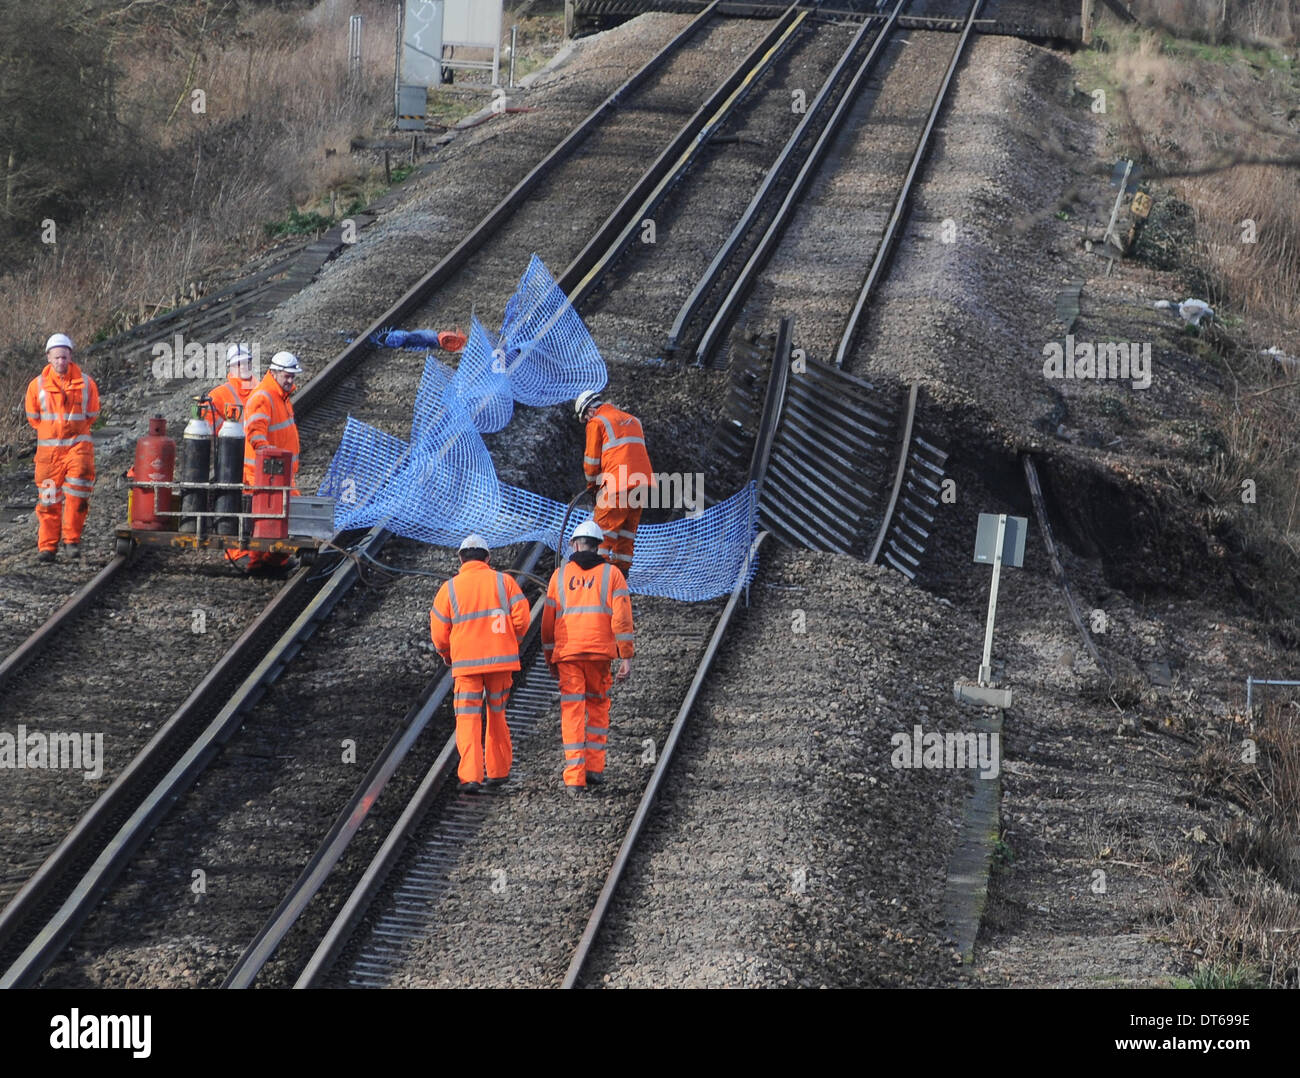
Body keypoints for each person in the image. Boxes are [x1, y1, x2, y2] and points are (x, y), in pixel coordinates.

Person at [431, 534, 531, 792]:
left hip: (466, 667)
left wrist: (447, 655)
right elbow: (522, 619)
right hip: (500, 663)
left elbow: (439, 634)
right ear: (488, 558)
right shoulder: (504, 582)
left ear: (460, 559)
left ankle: (471, 777)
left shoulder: (449, 588)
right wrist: (510, 642)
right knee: (497, 715)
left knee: (468, 720)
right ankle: (498, 772)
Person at [541, 518, 634, 796]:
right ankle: (594, 768)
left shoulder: (558, 577)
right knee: (597, 706)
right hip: (599, 654)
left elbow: (547, 623)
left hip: (568, 655)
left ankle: (574, 778)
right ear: (599, 546)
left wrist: (550, 659)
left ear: (573, 544)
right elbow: (622, 619)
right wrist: (626, 656)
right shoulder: (612, 575)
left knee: (572, 712)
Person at [25, 333, 99, 563]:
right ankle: (47, 547)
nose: (61, 362)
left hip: (78, 449)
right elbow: (33, 417)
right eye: (56, 358)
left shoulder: (86, 383)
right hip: (48, 457)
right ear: (48, 358)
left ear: (70, 357)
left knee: (77, 497)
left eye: (64, 357)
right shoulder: (36, 386)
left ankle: (71, 542)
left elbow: (92, 414)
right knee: (48, 501)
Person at [574, 389, 653, 578]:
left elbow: (592, 461)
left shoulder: (597, 421)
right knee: (626, 532)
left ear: (589, 411)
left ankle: (596, 577)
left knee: (600, 533)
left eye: (585, 418)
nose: (586, 422)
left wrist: (592, 488)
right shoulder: (633, 419)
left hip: (617, 483)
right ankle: (621, 576)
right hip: (641, 482)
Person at [240, 350, 302, 574]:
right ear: (274, 373)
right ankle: (273, 562)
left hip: (277, 473)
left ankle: (261, 564)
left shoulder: (280, 397)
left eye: (293, 376)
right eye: (287, 376)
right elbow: (255, 431)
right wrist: (266, 451)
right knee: (286, 518)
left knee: (268, 523)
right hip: (264, 473)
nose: (290, 381)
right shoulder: (263, 396)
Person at [204, 343, 256, 431]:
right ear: (230, 367)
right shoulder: (219, 395)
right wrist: (227, 432)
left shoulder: (262, 390)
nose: (243, 367)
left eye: (246, 362)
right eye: (238, 364)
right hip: (233, 444)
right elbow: (205, 419)